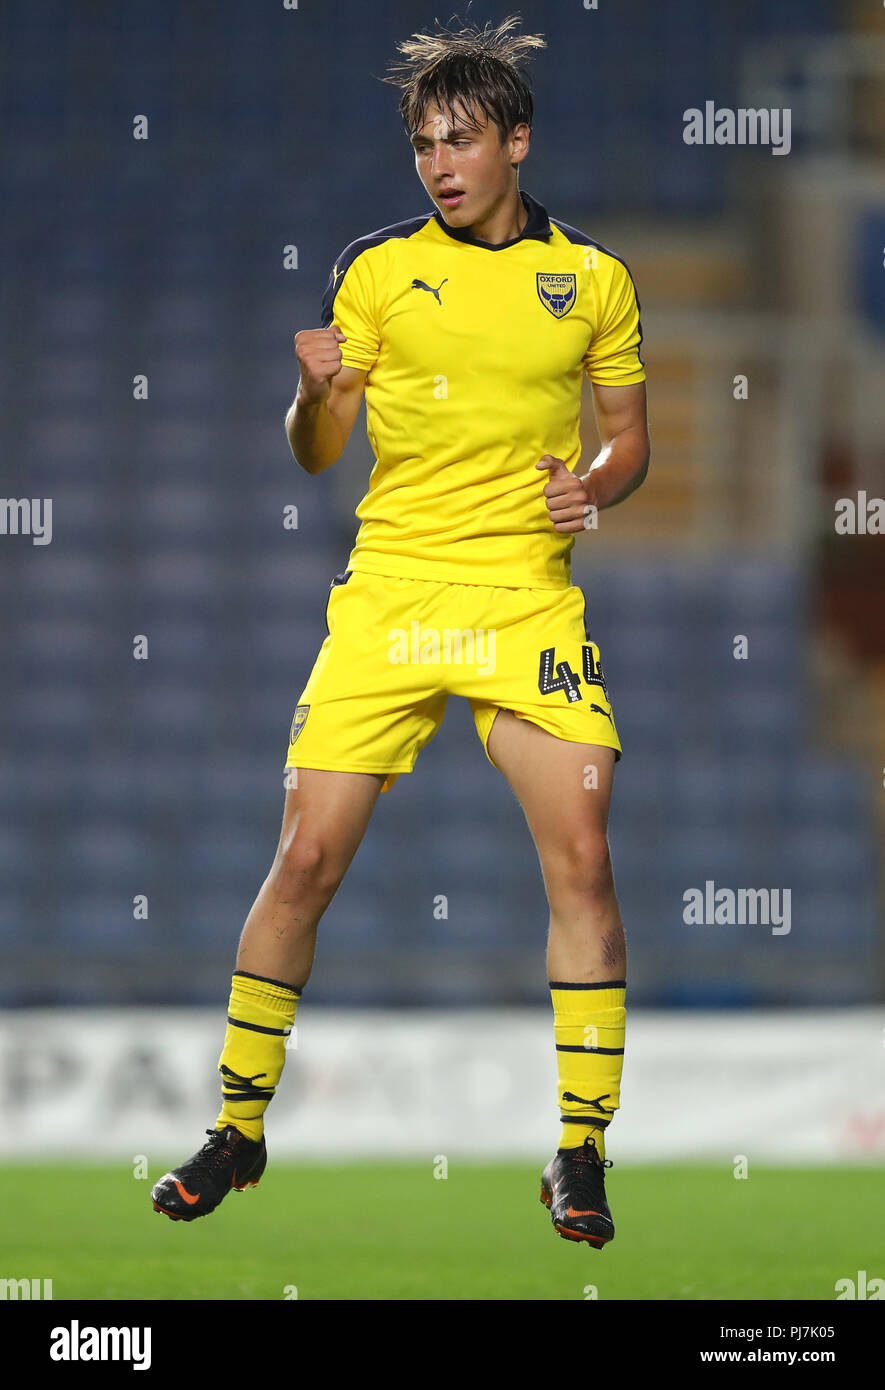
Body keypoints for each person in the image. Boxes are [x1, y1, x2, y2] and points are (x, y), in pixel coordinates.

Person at [151, 14, 650, 1249]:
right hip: (391, 590)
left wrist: (598, 479)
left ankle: (579, 1153)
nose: (441, 162)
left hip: (524, 592)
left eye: (463, 139)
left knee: (582, 857)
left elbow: (632, 437)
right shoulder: (375, 268)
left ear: (517, 142)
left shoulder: (592, 278)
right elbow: (316, 450)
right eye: (425, 142)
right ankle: (237, 1127)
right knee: (305, 859)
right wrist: (315, 393)